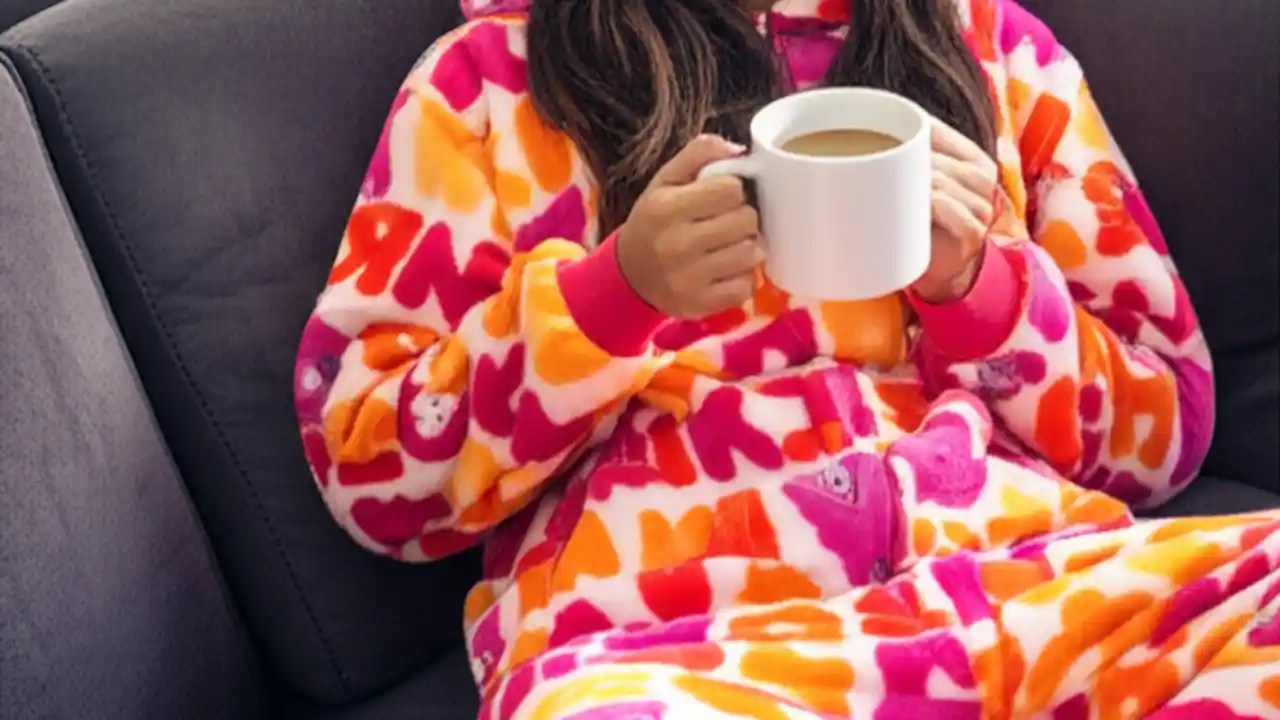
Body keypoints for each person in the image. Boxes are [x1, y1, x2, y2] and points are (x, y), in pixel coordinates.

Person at [294, 0, 1280, 716]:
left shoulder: (996, 52)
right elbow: (374, 474)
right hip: (674, 656)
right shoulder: (485, 88)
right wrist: (612, 297)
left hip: (1033, 603)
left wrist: (980, 287)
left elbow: (1162, 434)